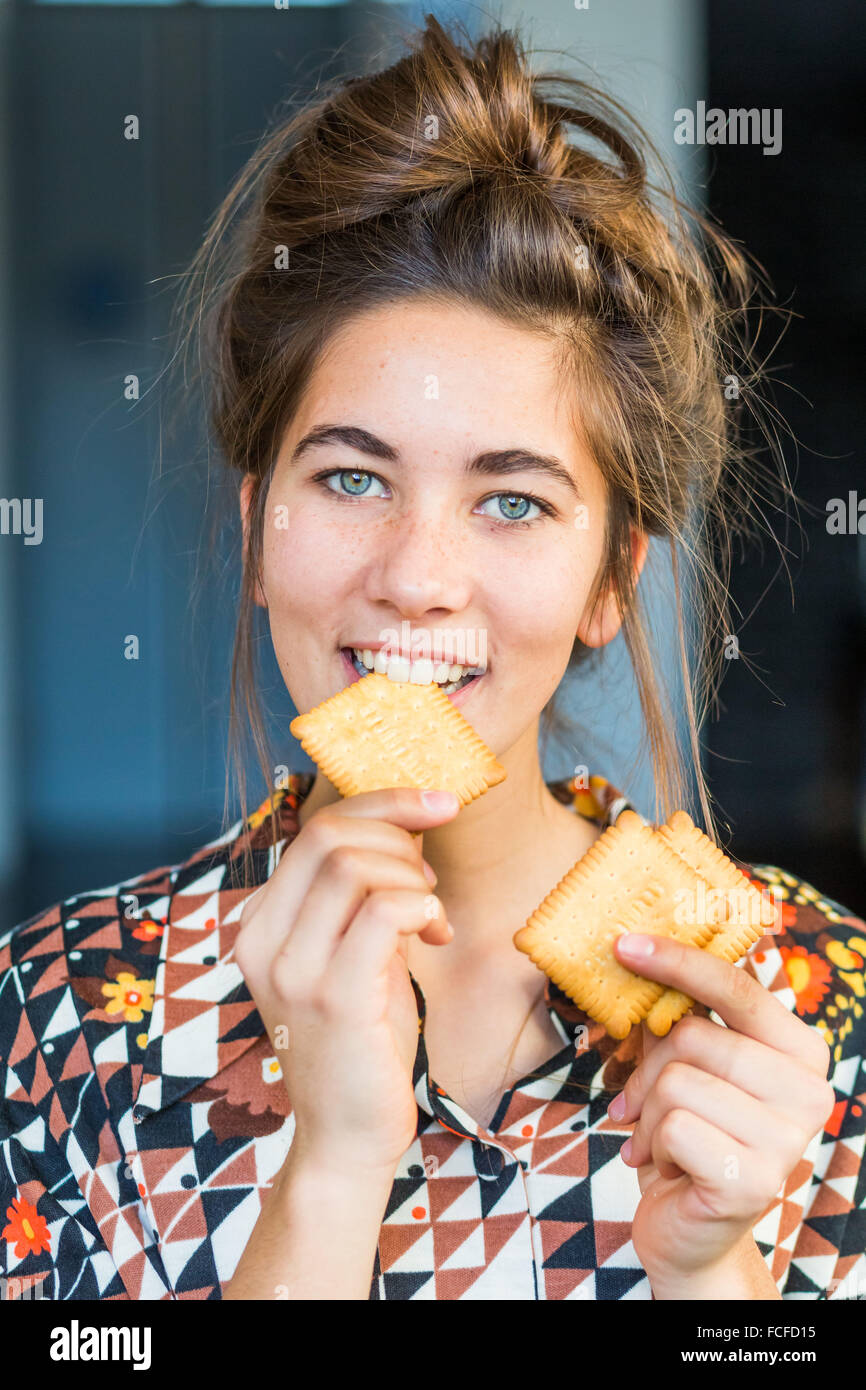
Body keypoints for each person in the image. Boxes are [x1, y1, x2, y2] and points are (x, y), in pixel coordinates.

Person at [2, 15, 864, 1303]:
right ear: (255, 528)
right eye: (351, 478)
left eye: (512, 501)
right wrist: (334, 1170)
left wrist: (713, 1277)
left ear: (612, 580)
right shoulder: (56, 1015)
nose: (414, 575)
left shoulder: (811, 1006)